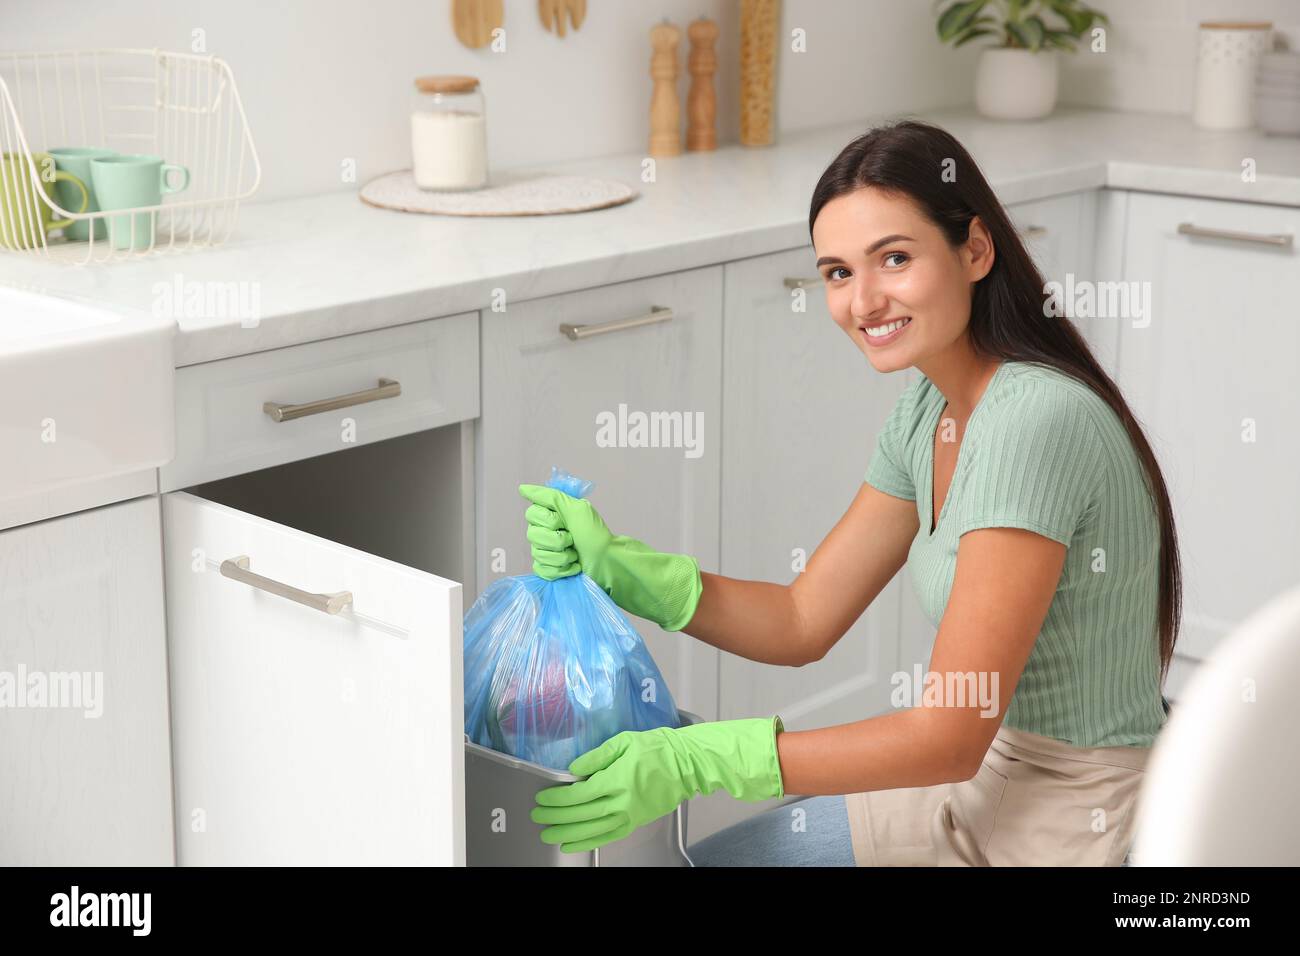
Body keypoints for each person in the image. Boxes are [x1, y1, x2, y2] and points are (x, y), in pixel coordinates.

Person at [521, 118, 1180, 867]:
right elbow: (803, 619)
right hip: (977, 780)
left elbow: (947, 733)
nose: (863, 301)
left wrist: (701, 759)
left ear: (974, 249)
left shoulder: (1035, 418)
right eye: (837, 273)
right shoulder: (926, 410)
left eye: (893, 259)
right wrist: (633, 573)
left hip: (1077, 815)